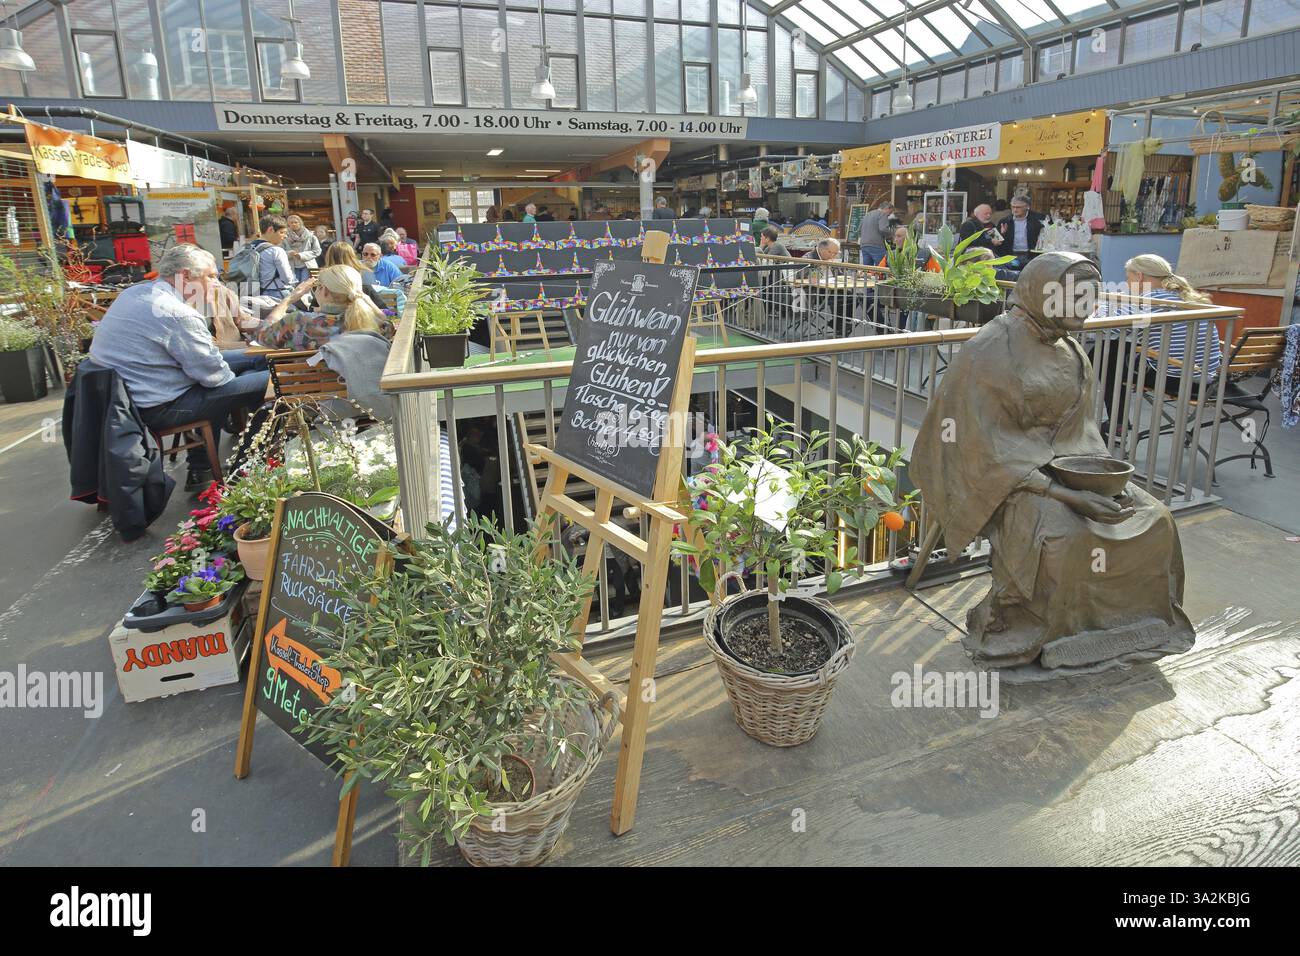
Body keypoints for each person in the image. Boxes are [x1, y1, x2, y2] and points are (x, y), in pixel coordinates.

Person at [910, 251, 1195, 675]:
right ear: (1042, 294)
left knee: (1155, 518)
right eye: (1075, 298)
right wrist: (1061, 493)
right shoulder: (987, 349)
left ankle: (1124, 624)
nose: (1086, 308)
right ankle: (1039, 630)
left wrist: (1095, 483)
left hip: (1067, 463)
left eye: (1090, 298)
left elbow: (1082, 433)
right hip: (1005, 477)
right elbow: (973, 444)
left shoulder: (1071, 351)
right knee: (1063, 534)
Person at [88, 244, 269, 488]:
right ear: (185, 276)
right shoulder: (177, 313)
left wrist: (250, 359)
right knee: (273, 377)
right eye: (211, 276)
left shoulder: (134, 293)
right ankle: (246, 464)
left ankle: (203, 467)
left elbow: (205, 364)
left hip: (126, 401)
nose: (217, 284)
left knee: (260, 357)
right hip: (158, 407)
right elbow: (215, 378)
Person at [1096, 254, 1219, 431]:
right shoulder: (1185, 296)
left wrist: (1109, 303)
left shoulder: (1150, 299)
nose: (1127, 284)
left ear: (1139, 276)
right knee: (1119, 351)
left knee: (1106, 354)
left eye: (1128, 279)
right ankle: (1118, 422)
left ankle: (1118, 421)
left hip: (1176, 377)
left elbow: (1109, 326)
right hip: (1210, 377)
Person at [255, 265, 392, 352]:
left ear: (324, 290)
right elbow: (387, 322)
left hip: (309, 395)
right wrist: (365, 299)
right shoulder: (376, 324)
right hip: (355, 392)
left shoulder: (298, 321)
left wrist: (288, 300)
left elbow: (261, 337)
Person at [323, 241, 394, 313]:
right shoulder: (364, 274)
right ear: (352, 257)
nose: (368, 257)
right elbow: (384, 310)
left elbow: (314, 308)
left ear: (328, 258)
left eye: (373, 255)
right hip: (363, 318)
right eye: (365, 254)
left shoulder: (325, 281)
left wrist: (319, 309)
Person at [996, 196, 1044, 270]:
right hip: (1012, 255)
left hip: (1031, 255)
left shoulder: (1037, 220)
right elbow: (997, 242)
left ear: (1027, 207)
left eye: (1018, 207)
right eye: (1013, 207)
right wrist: (1002, 234)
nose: (1015, 210)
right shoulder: (1005, 221)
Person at [255, 215, 294, 301]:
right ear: (271, 230)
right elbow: (287, 278)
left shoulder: (246, 248)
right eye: (282, 232)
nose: (285, 236)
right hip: (275, 293)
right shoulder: (276, 250)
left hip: (252, 293)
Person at [283, 214, 321, 283]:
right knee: (295, 287)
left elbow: (317, 251)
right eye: (291, 223)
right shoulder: (284, 237)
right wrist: (289, 253)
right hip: (292, 266)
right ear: (288, 224)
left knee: (305, 286)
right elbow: (280, 251)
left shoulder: (310, 236)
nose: (294, 224)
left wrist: (302, 255)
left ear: (300, 223)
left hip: (307, 265)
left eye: (296, 222)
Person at [857, 200, 894, 266]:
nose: (889, 215)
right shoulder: (882, 214)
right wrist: (892, 236)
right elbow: (883, 229)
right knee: (881, 268)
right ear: (887, 208)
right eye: (890, 213)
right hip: (876, 245)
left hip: (864, 245)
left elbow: (859, 229)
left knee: (867, 269)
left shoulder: (867, 214)